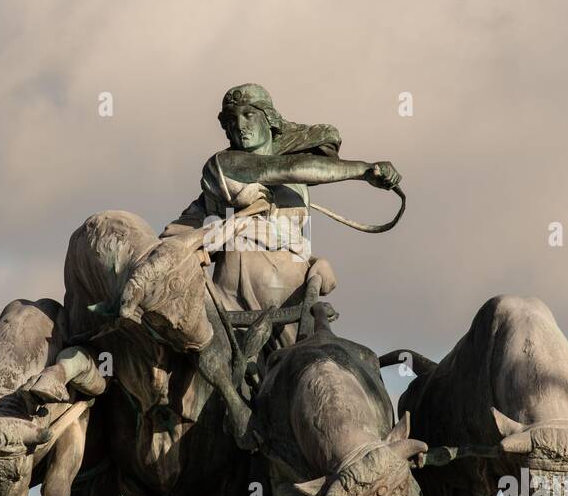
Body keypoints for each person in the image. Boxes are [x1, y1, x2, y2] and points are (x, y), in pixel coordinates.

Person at [162, 84, 401, 347]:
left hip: (294, 295)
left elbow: (314, 152)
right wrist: (365, 170)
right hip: (235, 299)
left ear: (269, 120)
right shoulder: (224, 165)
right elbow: (289, 167)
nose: (239, 126)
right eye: (231, 120)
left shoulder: (295, 182)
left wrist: (313, 262)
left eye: (248, 115)